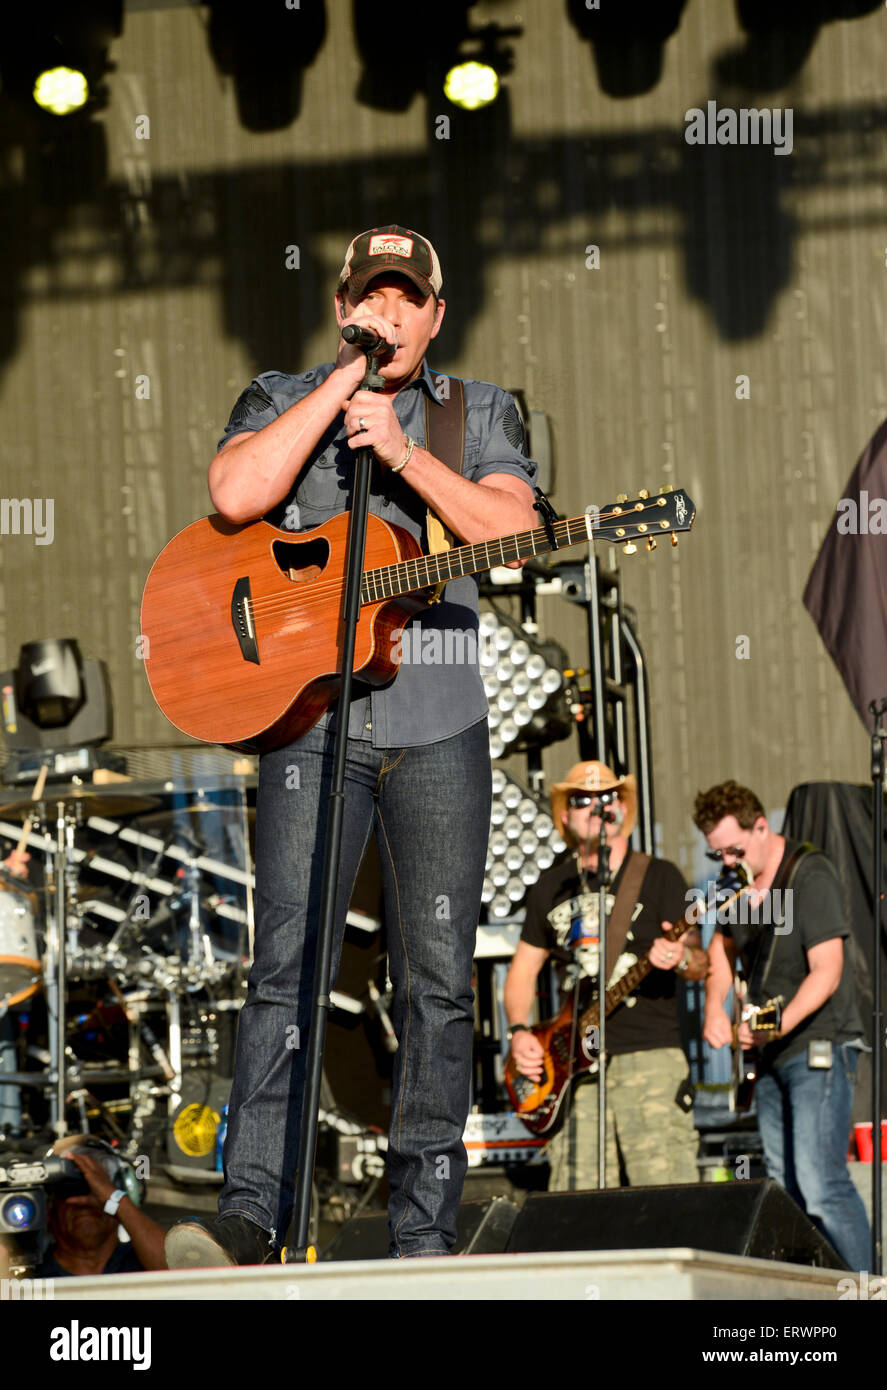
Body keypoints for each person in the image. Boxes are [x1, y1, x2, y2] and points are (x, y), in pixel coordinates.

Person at [165, 224, 539, 1265]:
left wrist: (405, 450)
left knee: (434, 977)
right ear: (342, 309)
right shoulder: (283, 392)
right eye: (370, 296)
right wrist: (336, 393)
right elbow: (236, 495)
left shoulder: (478, 411)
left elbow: (506, 535)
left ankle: (423, 1230)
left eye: (406, 297)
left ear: (434, 313)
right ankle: (255, 1213)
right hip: (309, 722)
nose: (389, 311)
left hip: (437, 725)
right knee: (285, 961)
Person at [505, 761, 707, 1190]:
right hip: (573, 1071)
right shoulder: (551, 886)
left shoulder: (659, 876)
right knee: (578, 1209)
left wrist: (680, 959)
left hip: (647, 1056)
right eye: (582, 799)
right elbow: (523, 971)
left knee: (666, 1195)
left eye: (608, 797)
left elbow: (699, 963)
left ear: (621, 808)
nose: (597, 806)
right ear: (564, 815)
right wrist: (521, 1032)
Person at [695, 779, 871, 1271]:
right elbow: (720, 949)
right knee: (784, 1189)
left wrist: (776, 1024)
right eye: (718, 855)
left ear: (761, 827)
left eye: (735, 849)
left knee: (821, 1182)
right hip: (771, 1057)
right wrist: (714, 1007)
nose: (728, 861)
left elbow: (828, 971)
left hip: (819, 1046)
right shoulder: (737, 889)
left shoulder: (809, 875)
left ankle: (868, 1287)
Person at [35, 1136, 167, 1277]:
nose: (85, 1202)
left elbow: (178, 1271)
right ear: (49, 1212)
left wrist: (114, 1199)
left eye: (96, 1190)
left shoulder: (146, 1260)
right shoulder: (29, 1279)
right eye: (70, 1189)